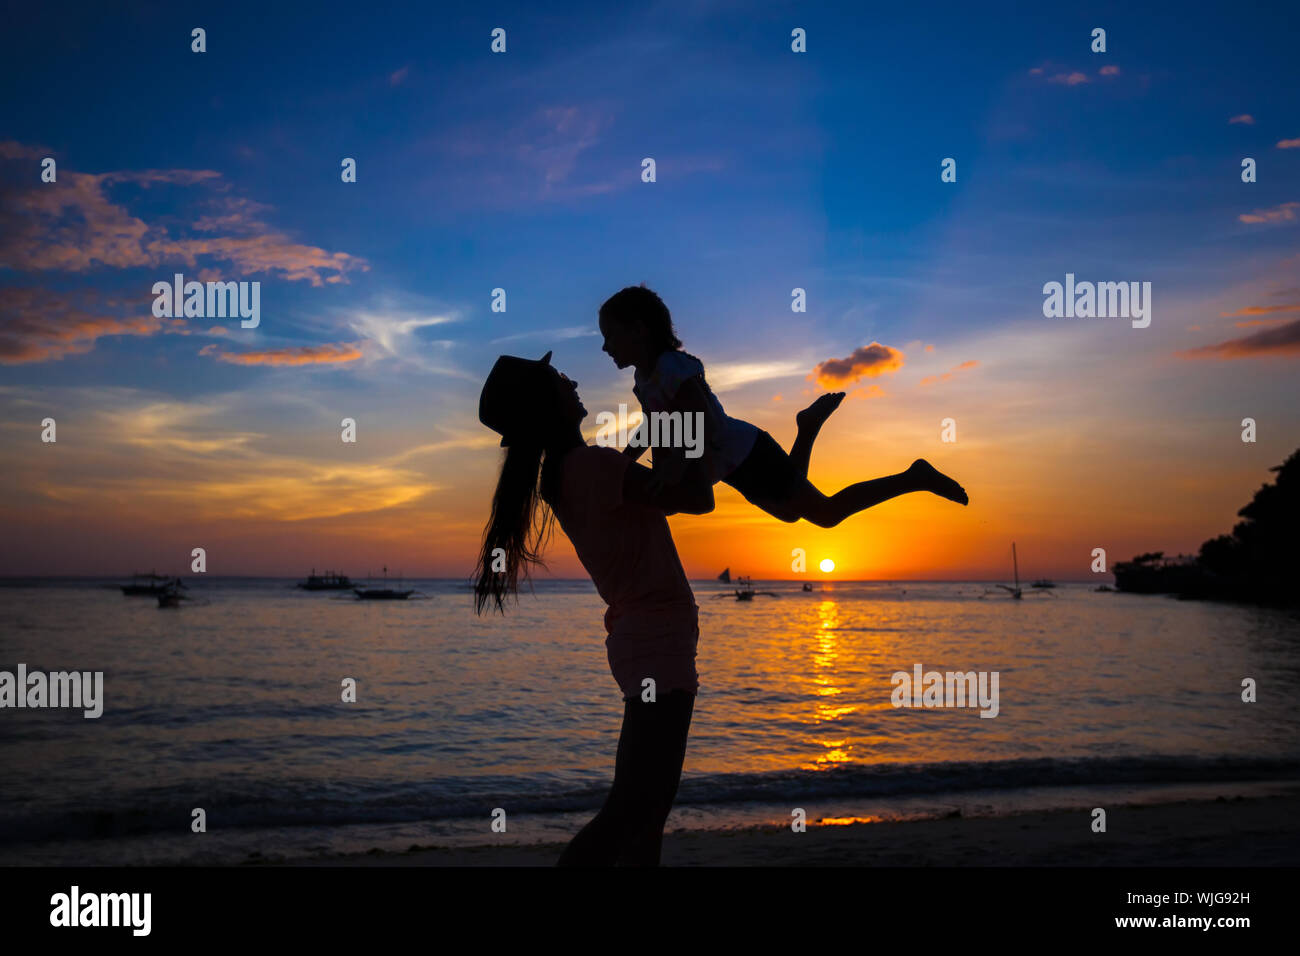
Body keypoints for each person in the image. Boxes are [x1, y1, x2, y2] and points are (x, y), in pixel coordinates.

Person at [472, 350, 711, 866]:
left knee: (644, 810)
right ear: (547, 404)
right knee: (635, 809)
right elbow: (697, 497)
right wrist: (689, 414)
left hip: (646, 638)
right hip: (655, 641)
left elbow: (633, 474)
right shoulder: (592, 467)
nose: (573, 379)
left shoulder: (569, 472)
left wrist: (660, 428)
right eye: (559, 379)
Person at [598, 284, 970, 526]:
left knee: (824, 514)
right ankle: (807, 428)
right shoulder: (644, 380)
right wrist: (622, 461)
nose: (605, 346)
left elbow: (700, 416)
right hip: (729, 463)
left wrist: (678, 460)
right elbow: (655, 425)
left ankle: (914, 476)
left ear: (639, 330)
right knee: (792, 514)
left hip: (746, 453)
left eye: (610, 335)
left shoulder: (671, 367)